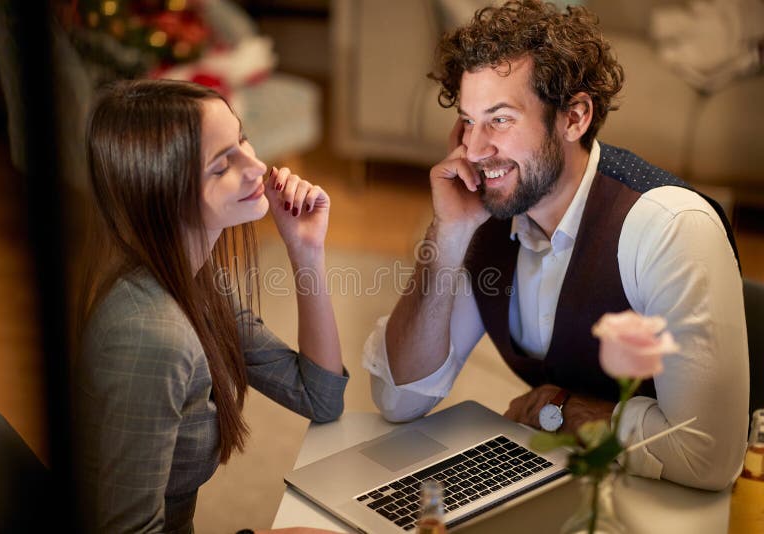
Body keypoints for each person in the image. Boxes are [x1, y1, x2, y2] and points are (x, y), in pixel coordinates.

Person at [363, 0, 749, 491]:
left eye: (500, 120)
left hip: (676, 504)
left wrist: (563, 411)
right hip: (569, 485)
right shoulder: (489, 214)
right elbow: (399, 399)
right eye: (468, 120)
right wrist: (448, 233)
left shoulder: (669, 227)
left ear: (574, 117)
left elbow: (709, 455)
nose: (475, 150)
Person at [73, 78, 347, 533]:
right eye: (223, 166)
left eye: (241, 138)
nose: (257, 165)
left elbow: (320, 397)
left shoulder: (194, 280)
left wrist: (306, 252)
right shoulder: (150, 336)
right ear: (163, 192)